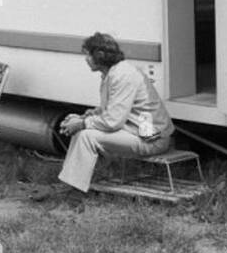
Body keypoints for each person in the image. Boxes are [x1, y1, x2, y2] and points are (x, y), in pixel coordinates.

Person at [33, 32, 173, 202]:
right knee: (83, 132)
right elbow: (111, 110)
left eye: (88, 55)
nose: (86, 59)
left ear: (99, 56)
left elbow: (113, 122)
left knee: (86, 135)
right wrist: (83, 117)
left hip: (152, 139)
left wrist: (83, 124)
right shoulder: (114, 73)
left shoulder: (123, 75)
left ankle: (75, 193)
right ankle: (72, 187)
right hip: (138, 132)